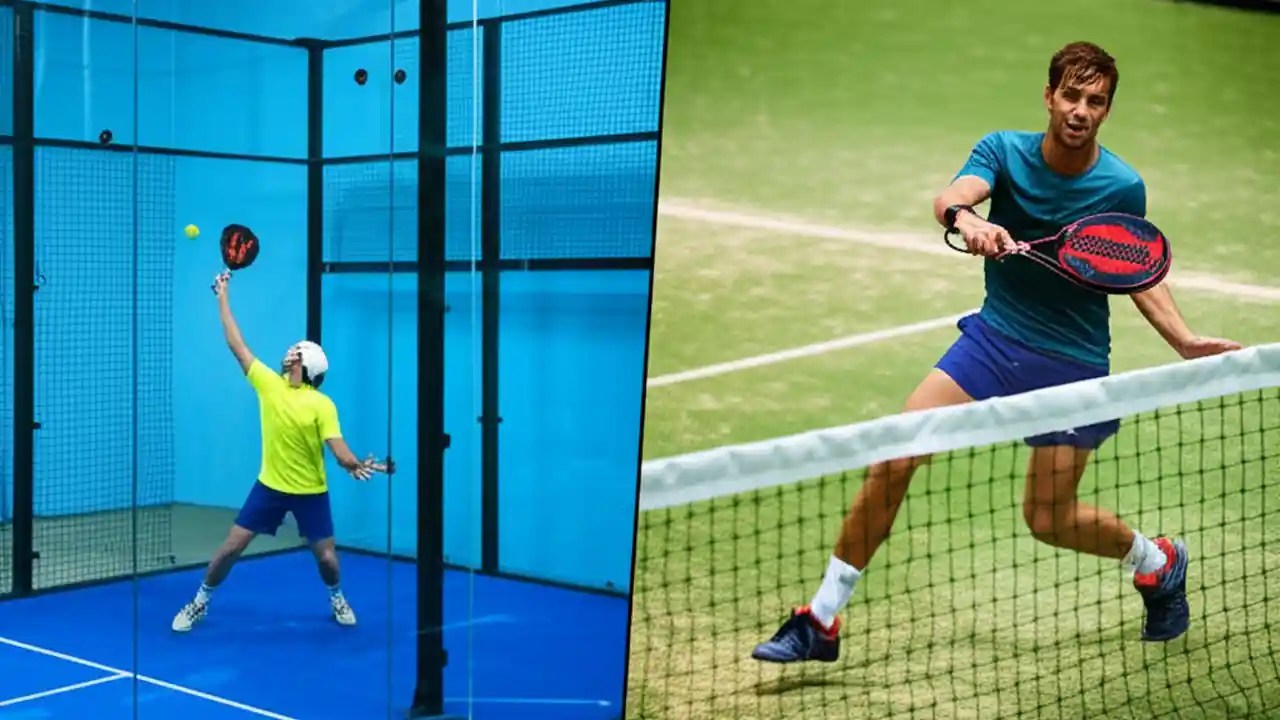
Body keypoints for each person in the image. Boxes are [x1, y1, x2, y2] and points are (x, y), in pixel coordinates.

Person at [751, 41, 1242, 663]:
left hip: (1071, 364)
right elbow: (951, 196)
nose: (1080, 111)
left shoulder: (1122, 185)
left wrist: (1184, 339)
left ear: (1107, 111)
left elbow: (1134, 265)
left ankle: (1157, 560)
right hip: (993, 340)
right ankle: (820, 619)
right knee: (897, 455)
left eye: (1096, 101)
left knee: (1048, 518)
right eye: (1071, 95)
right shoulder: (1003, 152)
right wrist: (968, 220)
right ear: (1049, 95)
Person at [172, 270, 392, 633]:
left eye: (296, 353)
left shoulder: (322, 405)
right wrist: (222, 296)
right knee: (231, 547)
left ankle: (336, 597)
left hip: (311, 492)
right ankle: (199, 602)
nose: (289, 354)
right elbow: (236, 344)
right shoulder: (268, 385)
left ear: (305, 368)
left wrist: (352, 464)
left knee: (327, 559)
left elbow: (339, 451)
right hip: (270, 487)